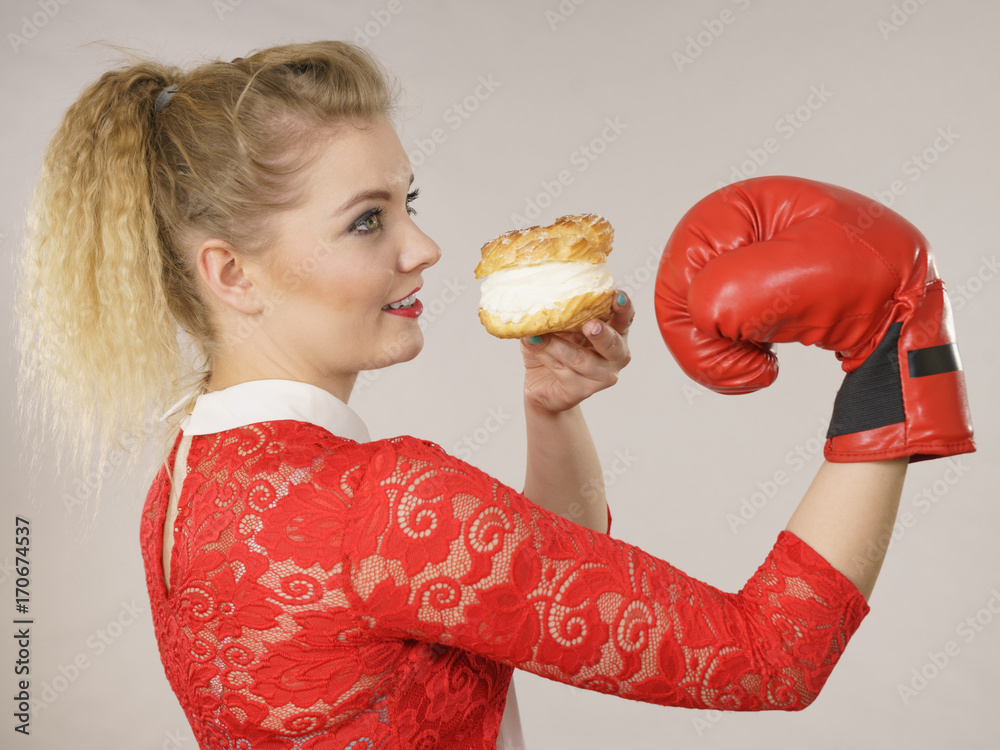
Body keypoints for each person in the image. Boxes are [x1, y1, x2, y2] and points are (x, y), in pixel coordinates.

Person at [13, 41, 974, 749]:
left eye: (409, 203)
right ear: (232, 274)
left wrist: (552, 411)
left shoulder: (184, 487)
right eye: (365, 221)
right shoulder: (384, 503)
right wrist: (895, 351)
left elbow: (529, 602)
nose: (422, 249)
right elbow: (771, 657)